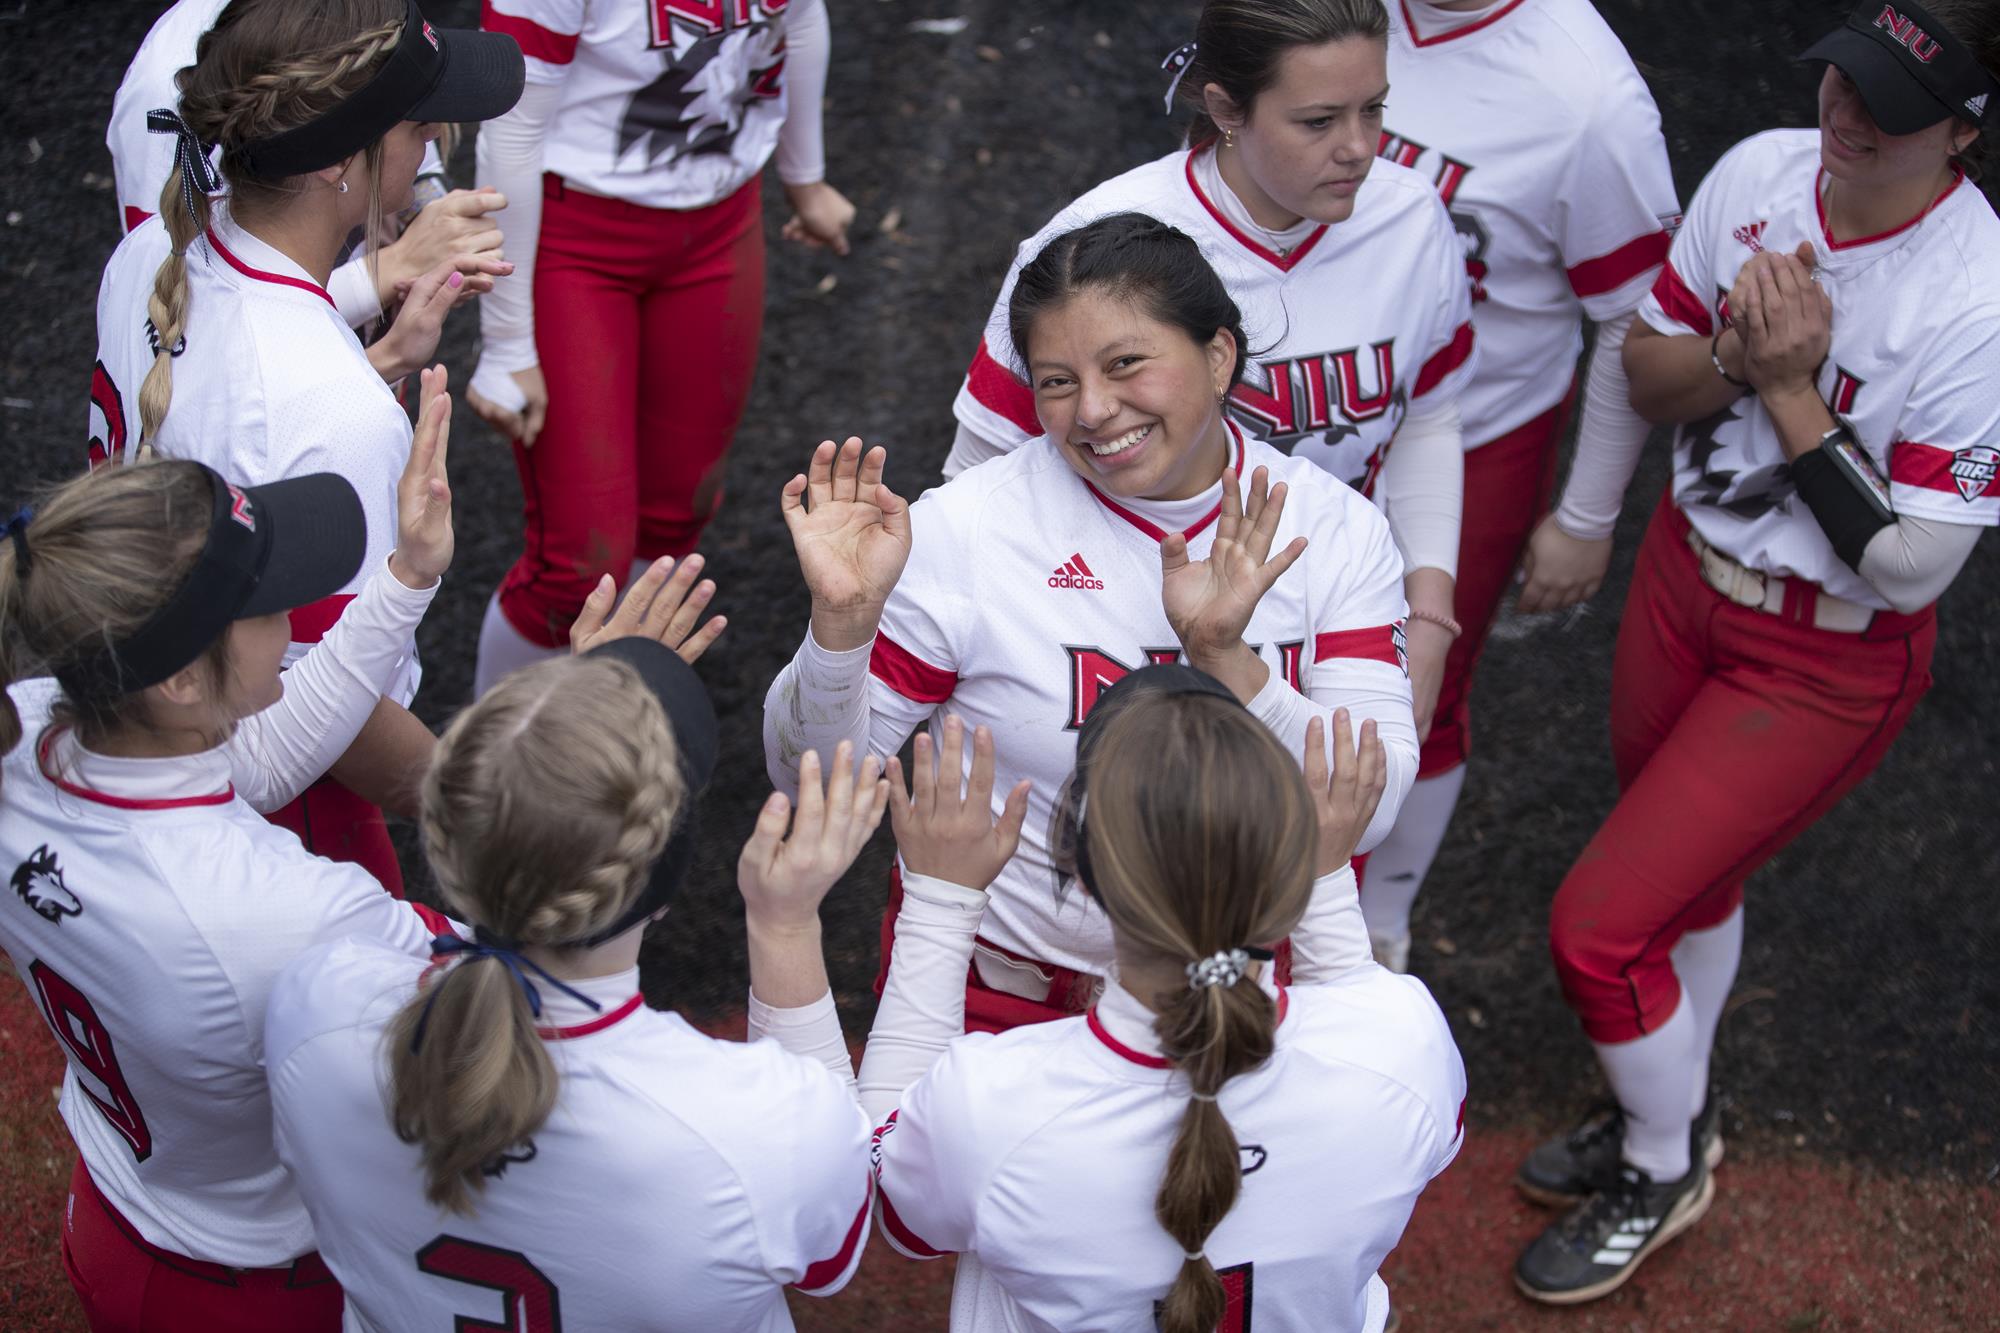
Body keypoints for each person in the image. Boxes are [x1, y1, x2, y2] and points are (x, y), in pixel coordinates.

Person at [1512, 0, 2000, 1304]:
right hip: (1685, 586)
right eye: (1844, 83)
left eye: (1888, 111)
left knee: (1597, 933)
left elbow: (1906, 568)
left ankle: (1667, 1159)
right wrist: (1737, 354)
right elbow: (1653, 368)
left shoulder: (1978, 299)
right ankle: (1656, 1106)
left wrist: (1789, 386)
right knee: (1685, 890)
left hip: (1823, 661)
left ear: (1962, 133)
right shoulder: (1762, 173)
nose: (1845, 118)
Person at [764, 213, 1419, 1034]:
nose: (1096, 410)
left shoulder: (1333, 529)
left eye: (1126, 365)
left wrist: (1228, 660)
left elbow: (1379, 801)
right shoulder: (969, 529)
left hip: (1251, 1001)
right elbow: (809, 784)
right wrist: (841, 627)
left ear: (1218, 356)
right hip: (1003, 1002)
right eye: (1057, 381)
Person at [0, 382, 457, 1331]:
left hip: (118, 1215)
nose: (300, 602)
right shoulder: (278, 909)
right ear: (174, 678)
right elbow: (517, 986)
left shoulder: (37, 726)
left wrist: (405, 579)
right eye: (266, 598)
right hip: (252, 1290)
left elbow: (250, 757)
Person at [264, 648, 879, 1331]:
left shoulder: (315, 1008)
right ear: (667, 871)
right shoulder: (758, 1125)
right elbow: (837, 1240)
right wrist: (784, 924)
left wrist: (553, 719)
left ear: (448, 834)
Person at [852, 669, 1464, 1331]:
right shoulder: (1404, 1046)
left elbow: (895, 1205)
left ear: (1082, 873)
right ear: (1291, 858)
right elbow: (1360, 1018)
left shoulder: (991, 1106)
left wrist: (939, 901)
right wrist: (1328, 880)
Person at [948, 0, 1474, 749]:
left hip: (1329, 604)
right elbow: (981, 470)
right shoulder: (1095, 243)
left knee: (1334, 826)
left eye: (1374, 108)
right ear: (1228, 108)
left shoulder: (1413, 219)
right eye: (1318, 121)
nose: (1359, 147)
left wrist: (1428, 611)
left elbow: (1428, 413)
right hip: (1110, 616)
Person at [90, 0, 524, 893]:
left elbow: (230, 426)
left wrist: (366, 359)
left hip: (136, 742)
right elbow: (324, 708)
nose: (437, 136)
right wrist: (482, 804)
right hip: (281, 821)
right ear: (338, 162)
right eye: (418, 122)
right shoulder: (331, 405)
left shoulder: (146, 257)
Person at [1351, 0, 1681, 972]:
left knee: (1421, 685)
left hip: (1473, 428)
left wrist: (1584, 515)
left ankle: (1376, 933)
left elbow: (1631, 316)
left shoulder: (1587, 96)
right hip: (1294, 392)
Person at [466, 0, 854, 694]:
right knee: (576, 567)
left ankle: (617, 707)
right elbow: (510, 129)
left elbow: (799, 19)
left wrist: (806, 176)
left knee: (677, 514)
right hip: (571, 236)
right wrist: (504, 340)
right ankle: (485, 778)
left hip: (721, 220)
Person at [107, 0, 510, 344]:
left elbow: (398, 105)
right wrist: (391, 268)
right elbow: (182, 322)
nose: (433, 131)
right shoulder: (170, 86)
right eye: (421, 124)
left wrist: (428, 215)